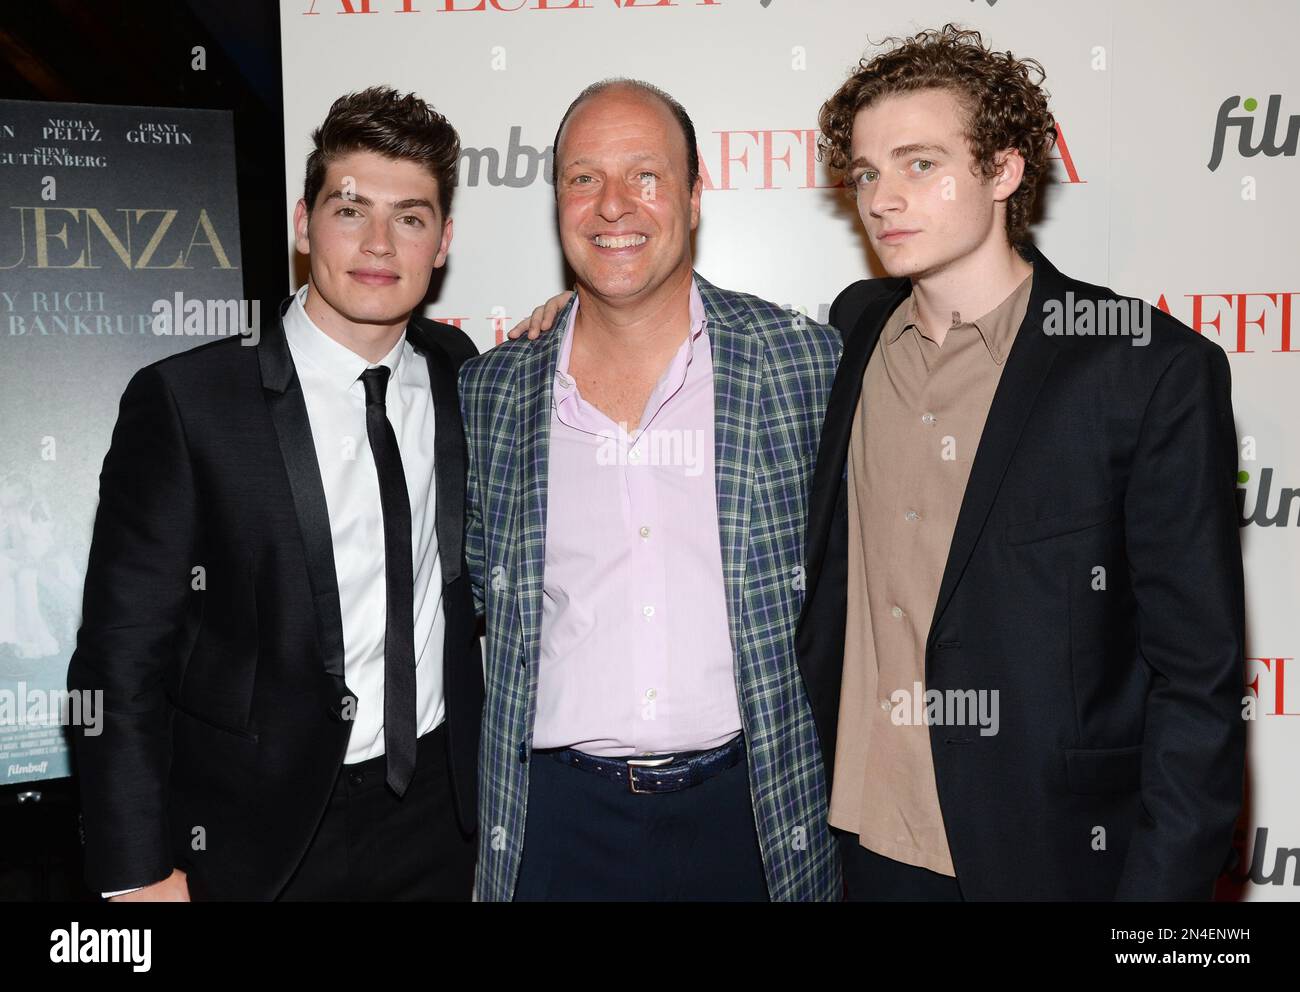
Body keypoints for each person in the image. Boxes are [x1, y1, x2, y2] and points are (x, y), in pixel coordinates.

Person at [798, 24, 1245, 900]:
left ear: (1004, 171)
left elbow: (1199, 681)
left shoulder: (1143, 367)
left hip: (1045, 855)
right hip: (860, 841)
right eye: (866, 173)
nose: (883, 197)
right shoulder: (853, 329)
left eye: (921, 164)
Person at [67, 86, 483, 901]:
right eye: (350, 209)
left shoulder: (462, 372)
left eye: (410, 216)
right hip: (255, 840)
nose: (377, 244)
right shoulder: (189, 402)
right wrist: (138, 874)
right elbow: (116, 660)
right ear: (303, 223)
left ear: (442, 243)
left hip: (442, 819)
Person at [461, 79, 841, 901]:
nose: (612, 206)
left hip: (755, 814)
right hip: (554, 822)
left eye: (645, 175)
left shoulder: (805, 365)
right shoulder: (490, 392)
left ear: (695, 195)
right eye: (583, 177)